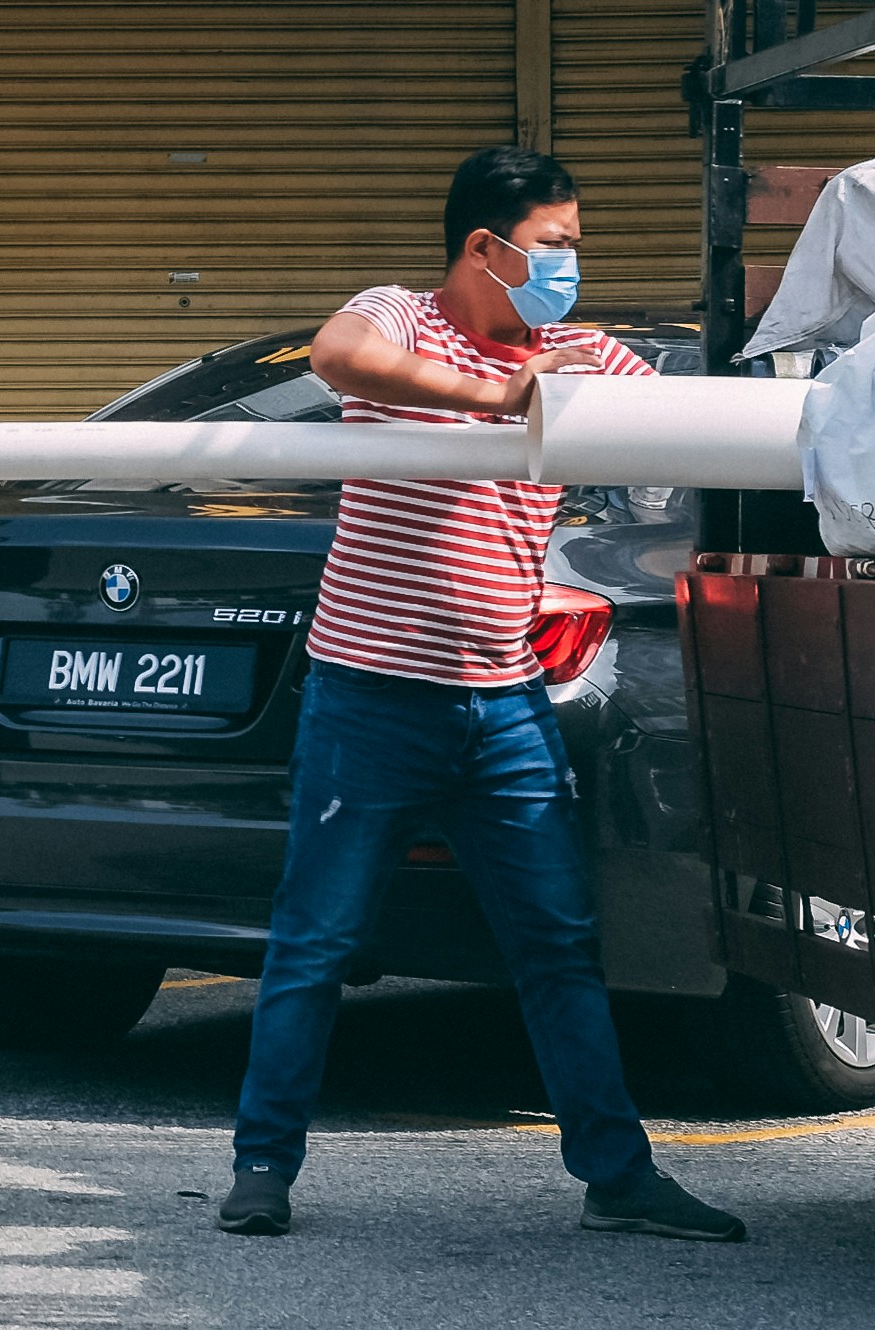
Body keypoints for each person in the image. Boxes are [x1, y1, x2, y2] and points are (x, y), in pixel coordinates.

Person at [219, 146, 748, 1246]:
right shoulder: (401, 317)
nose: (568, 268)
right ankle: (262, 1166)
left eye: (572, 248)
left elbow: (690, 425)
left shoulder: (580, 348)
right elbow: (338, 357)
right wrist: (501, 396)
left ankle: (618, 1173)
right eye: (554, 246)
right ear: (484, 246)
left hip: (504, 701)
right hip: (369, 696)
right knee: (314, 940)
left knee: (557, 942)